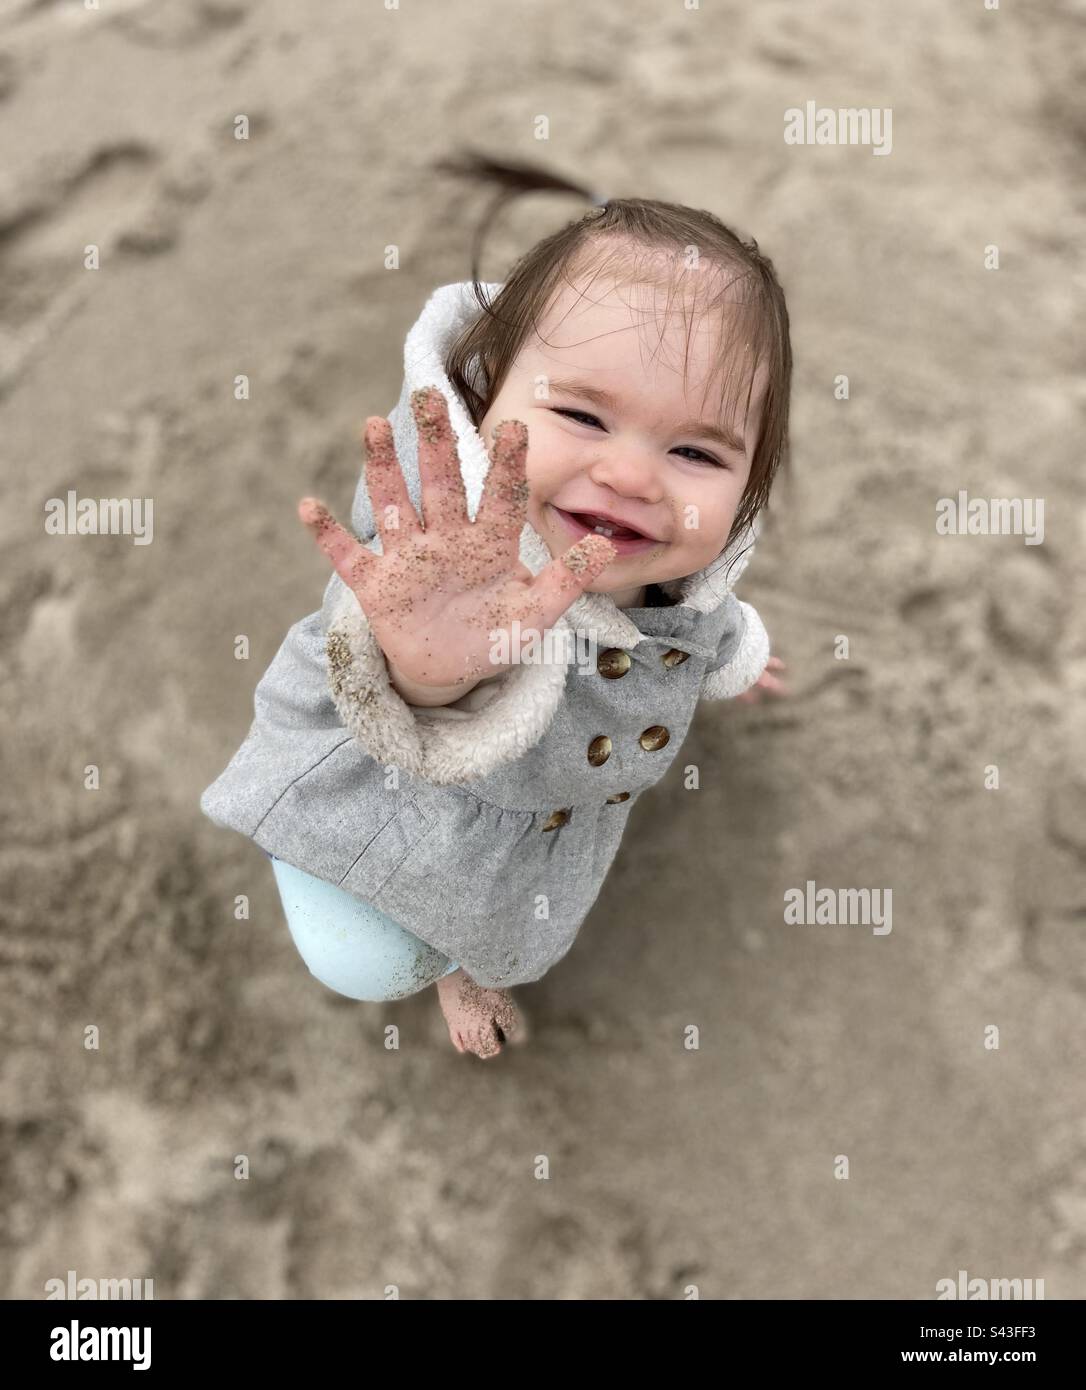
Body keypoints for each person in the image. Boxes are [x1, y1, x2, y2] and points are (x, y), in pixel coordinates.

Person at [200, 153, 791, 1059]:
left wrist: (732, 661)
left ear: (749, 477)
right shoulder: (446, 561)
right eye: (585, 418)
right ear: (484, 399)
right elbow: (391, 704)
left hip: (553, 809)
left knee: (511, 901)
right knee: (370, 950)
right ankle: (451, 966)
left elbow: (695, 618)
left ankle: (478, 948)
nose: (632, 475)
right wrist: (430, 678)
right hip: (430, 789)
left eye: (698, 454)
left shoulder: (684, 556)